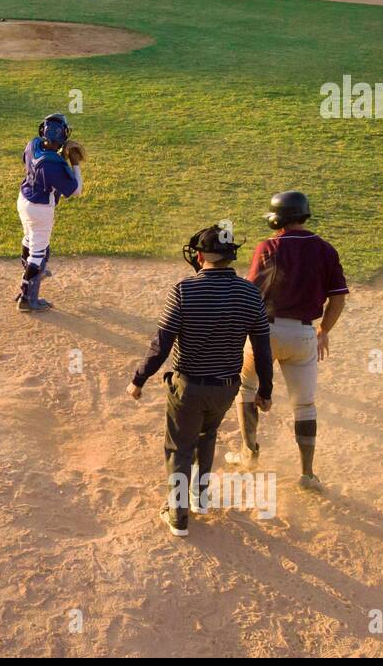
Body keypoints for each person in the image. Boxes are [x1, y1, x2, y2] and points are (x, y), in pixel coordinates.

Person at [129, 226, 274, 537]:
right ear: (230, 255)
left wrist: (139, 379)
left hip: (189, 387)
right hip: (227, 388)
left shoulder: (184, 290)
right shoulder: (250, 293)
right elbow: (263, 347)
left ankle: (178, 515)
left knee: (179, 447)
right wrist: (265, 390)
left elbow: (161, 344)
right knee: (207, 436)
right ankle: (200, 497)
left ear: (200, 256)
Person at [227, 191, 349, 492]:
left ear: (277, 219)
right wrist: (323, 331)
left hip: (264, 332)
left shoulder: (269, 247)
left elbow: (252, 293)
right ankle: (307, 474)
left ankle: (249, 454)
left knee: (247, 388)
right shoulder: (325, 249)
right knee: (304, 405)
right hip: (303, 336)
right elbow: (337, 299)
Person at [15, 114, 84, 312]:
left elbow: (31, 162)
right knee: (39, 253)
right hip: (40, 209)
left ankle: (31, 278)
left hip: (24, 201)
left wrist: (58, 155)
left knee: (29, 240)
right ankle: (27, 297)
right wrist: (74, 163)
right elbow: (75, 190)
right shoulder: (54, 165)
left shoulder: (33, 144)